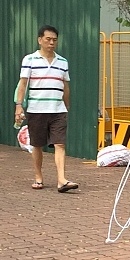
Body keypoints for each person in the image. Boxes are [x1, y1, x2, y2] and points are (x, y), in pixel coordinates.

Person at [14, 25, 78, 193]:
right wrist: (19, 106)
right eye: (48, 39)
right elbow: (23, 84)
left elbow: (66, 86)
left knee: (60, 144)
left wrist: (67, 105)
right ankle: (38, 176)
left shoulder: (63, 62)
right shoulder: (30, 60)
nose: (51, 43)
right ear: (40, 40)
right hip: (36, 109)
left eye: (54, 40)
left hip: (58, 109)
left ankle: (62, 180)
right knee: (37, 145)